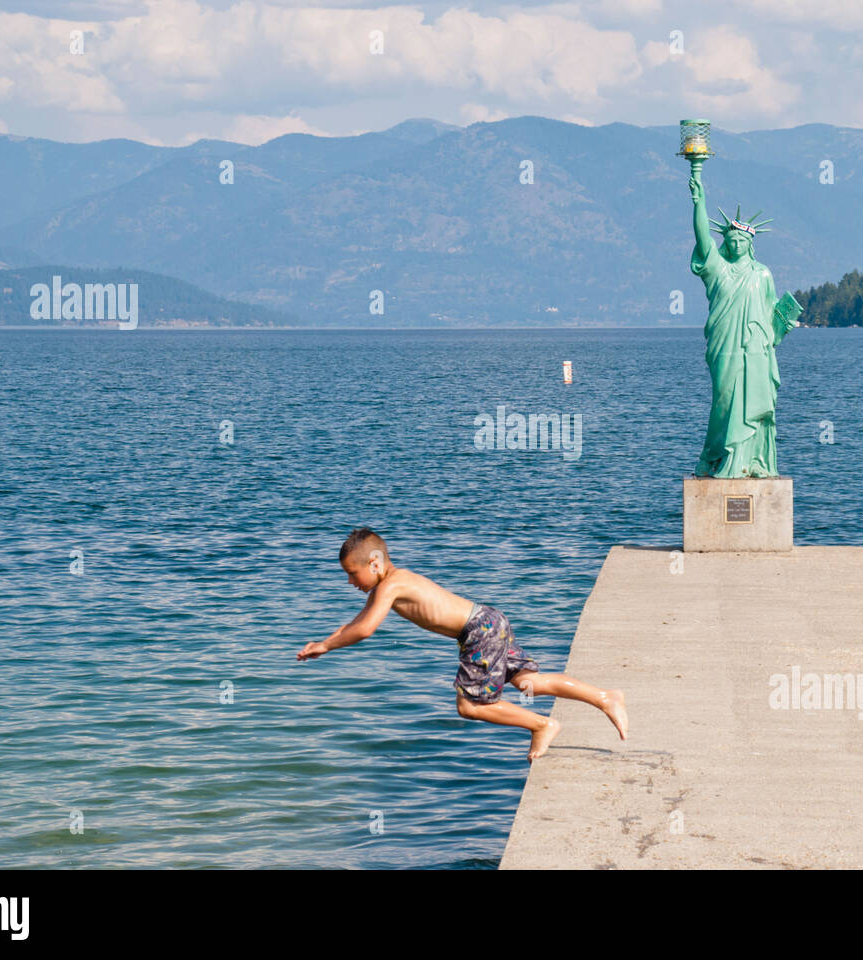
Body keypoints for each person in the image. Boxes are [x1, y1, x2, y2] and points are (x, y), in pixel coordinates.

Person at [298, 528, 628, 761]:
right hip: (488, 621)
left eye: (352, 574)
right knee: (530, 684)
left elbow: (366, 630)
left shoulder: (392, 586)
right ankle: (605, 697)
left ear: (374, 563)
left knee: (469, 706)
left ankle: (543, 724)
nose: (350, 582)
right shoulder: (389, 586)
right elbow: (356, 623)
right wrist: (323, 642)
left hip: (478, 630)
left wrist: (327, 648)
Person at [688, 164, 803, 478]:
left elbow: (769, 315)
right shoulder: (718, 270)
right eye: (733, 239)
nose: (737, 243)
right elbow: (702, 240)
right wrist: (699, 201)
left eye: (742, 239)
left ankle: (750, 460)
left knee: (753, 403)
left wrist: (783, 322)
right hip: (725, 348)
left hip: (755, 351)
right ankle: (715, 457)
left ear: (751, 243)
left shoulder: (762, 274)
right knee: (724, 405)